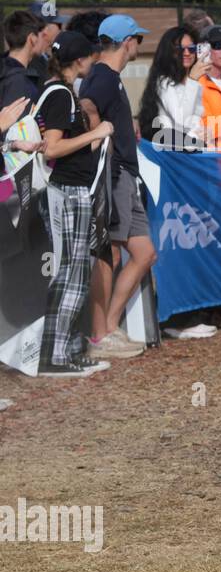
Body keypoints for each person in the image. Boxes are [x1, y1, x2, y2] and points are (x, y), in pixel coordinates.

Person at [36, 31, 115, 376]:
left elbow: (69, 148)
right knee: (71, 275)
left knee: (75, 274)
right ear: (80, 60)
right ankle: (55, 356)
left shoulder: (64, 93)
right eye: (91, 56)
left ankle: (66, 349)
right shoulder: (60, 95)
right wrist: (95, 134)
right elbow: (51, 148)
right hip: (68, 194)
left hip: (72, 190)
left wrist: (94, 140)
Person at [81, 14, 153, 360]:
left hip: (125, 173)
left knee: (143, 253)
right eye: (138, 38)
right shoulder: (103, 78)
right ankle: (100, 336)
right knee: (107, 253)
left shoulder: (109, 77)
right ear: (127, 42)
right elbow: (87, 107)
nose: (139, 44)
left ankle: (109, 327)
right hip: (114, 175)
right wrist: (94, 138)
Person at [138, 26, 208, 149]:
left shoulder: (193, 82)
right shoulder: (164, 82)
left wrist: (202, 133)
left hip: (190, 150)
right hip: (172, 155)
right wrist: (193, 80)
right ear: (169, 52)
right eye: (179, 49)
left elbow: (195, 117)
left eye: (191, 49)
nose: (186, 53)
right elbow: (180, 119)